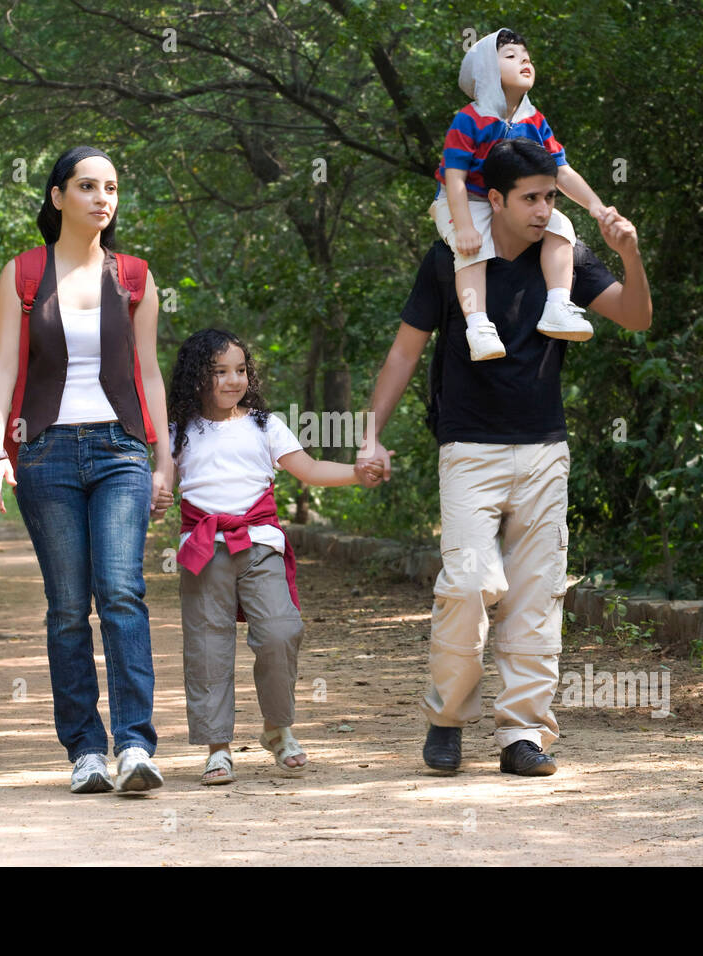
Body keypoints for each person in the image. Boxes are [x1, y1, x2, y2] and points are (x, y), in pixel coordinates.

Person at [360, 138, 652, 776]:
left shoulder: (567, 257)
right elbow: (405, 352)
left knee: (536, 596)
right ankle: (447, 716)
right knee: (468, 584)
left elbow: (634, 317)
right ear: (493, 199)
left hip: (546, 449)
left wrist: (629, 254)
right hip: (468, 448)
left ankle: (524, 735)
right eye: (531, 199)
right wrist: (370, 434)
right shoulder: (450, 259)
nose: (545, 209)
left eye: (551, 196)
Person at [0, 146, 175, 794]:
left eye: (111, 187)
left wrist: (163, 455)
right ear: (58, 195)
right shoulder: (25, 273)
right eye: (87, 186)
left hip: (121, 450)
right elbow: (4, 365)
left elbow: (148, 371)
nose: (102, 198)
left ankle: (136, 746)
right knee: (67, 606)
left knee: (120, 591)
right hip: (44, 452)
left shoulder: (138, 277)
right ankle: (85, 751)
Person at [169, 329, 383, 785]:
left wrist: (356, 474)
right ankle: (218, 749)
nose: (233, 380)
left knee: (281, 631)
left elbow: (309, 470)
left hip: (260, 545)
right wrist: (155, 496)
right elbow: (161, 482)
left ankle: (277, 729)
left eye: (241, 370)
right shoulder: (177, 430)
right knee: (207, 648)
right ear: (196, 377)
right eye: (220, 372)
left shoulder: (264, 424)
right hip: (203, 549)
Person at [430, 27, 617, 361]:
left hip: (511, 205)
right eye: (511, 56)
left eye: (527, 57)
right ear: (486, 70)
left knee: (561, 227)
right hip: (466, 201)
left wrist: (596, 207)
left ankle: (558, 304)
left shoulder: (535, 121)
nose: (524, 61)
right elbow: (454, 178)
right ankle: (478, 325)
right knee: (471, 249)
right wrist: (465, 226)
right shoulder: (468, 119)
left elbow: (560, 170)